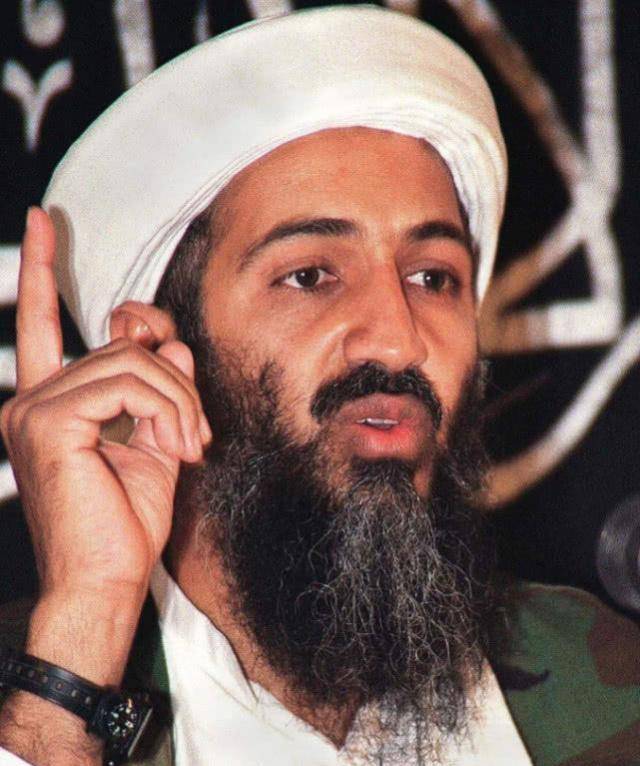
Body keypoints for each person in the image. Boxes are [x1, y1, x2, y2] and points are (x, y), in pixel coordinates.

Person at [0, 6, 638, 766]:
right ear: (154, 349)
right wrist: (80, 638)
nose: (398, 338)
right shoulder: (30, 710)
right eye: (310, 276)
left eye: (432, 277)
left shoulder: (604, 680)